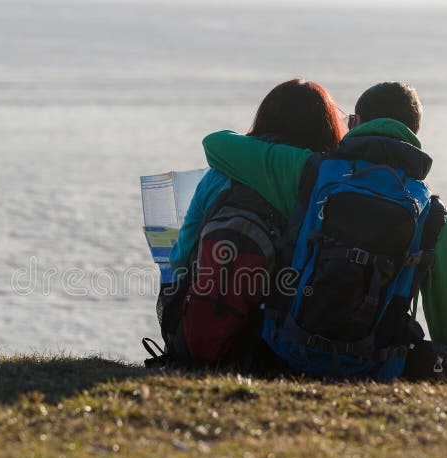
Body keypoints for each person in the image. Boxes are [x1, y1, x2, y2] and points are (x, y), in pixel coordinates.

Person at [201, 82, 447, 382]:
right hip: (379, 367)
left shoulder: (308, 172)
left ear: (357, 123)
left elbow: (216, 144)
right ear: (414, 135)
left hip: (286, 351)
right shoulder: (433, 214)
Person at [146, 78, 346, 372]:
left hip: (195, 334)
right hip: (276, 345)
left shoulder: (217, 175)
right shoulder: (317, 182)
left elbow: (180, 262)